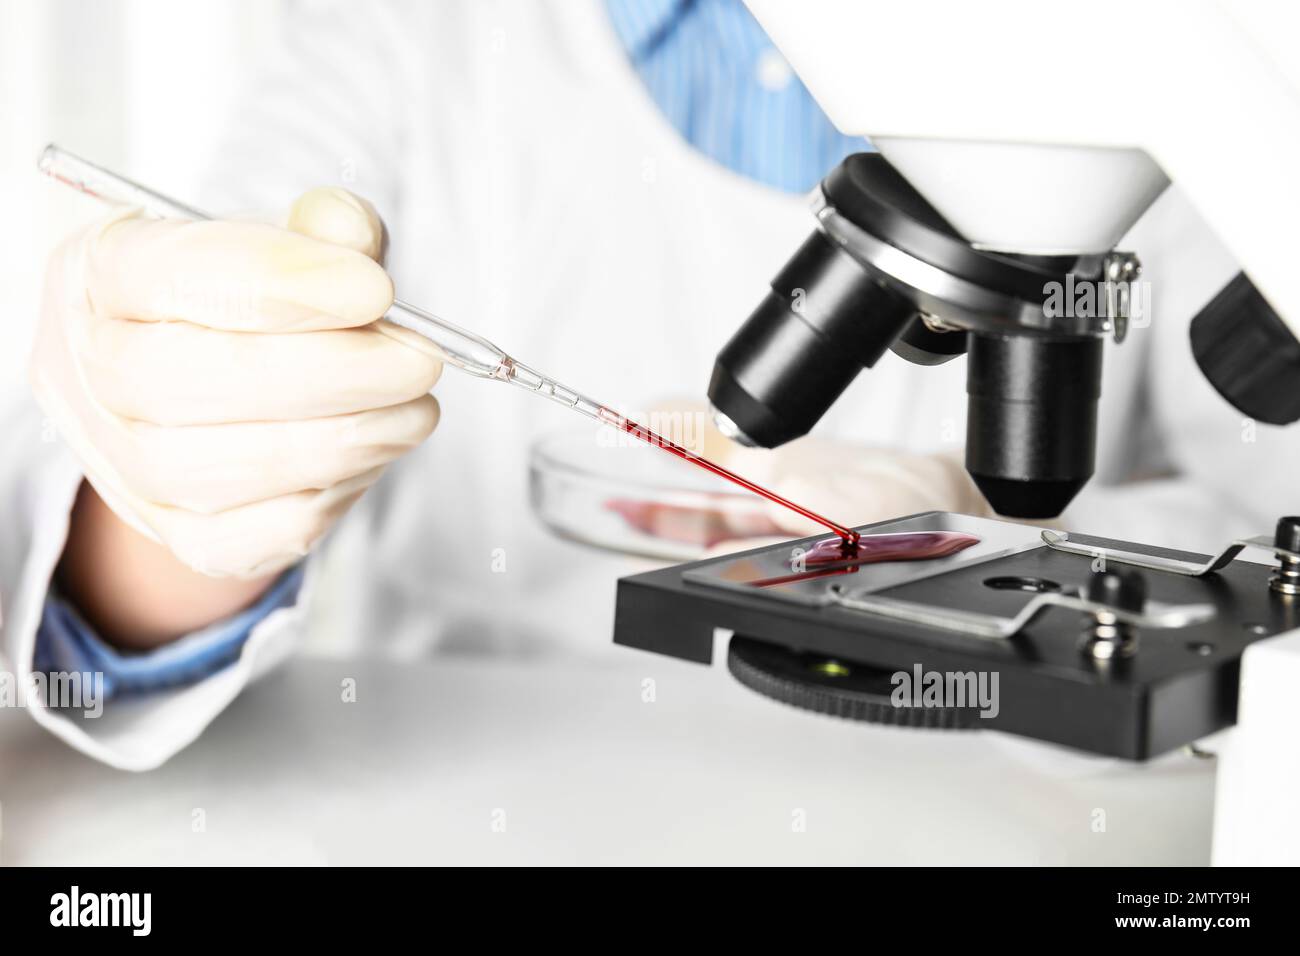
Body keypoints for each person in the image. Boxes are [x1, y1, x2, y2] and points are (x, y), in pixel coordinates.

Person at [2, 0, 1295, 769]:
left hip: (1017, 798)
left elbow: (1262, 514)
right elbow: (115, 615)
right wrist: (175, 479)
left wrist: (1018, 535)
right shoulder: (410, 39)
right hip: (486, 788)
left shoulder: (1175, 43)